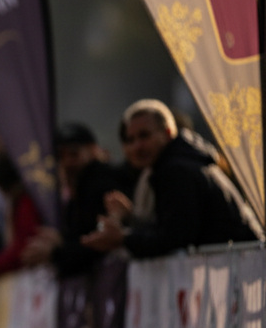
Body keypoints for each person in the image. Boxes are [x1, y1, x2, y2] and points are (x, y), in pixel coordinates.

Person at [82, 99, 263, 257]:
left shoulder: (177, 170)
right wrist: (131, 222)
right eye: (129, 140)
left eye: (144, 135)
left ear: (168, 132)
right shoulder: (174, 164)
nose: (137, 146)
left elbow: (175, 238)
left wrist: (124, 238)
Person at [23, 122, 128, 276]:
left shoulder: (102, 186)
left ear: (93, 150)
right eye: (60, 156)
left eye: (73, 154)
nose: (66, 162)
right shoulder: (77, 189)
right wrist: (61, 241)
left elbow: (96, 242)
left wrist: (56, 253)